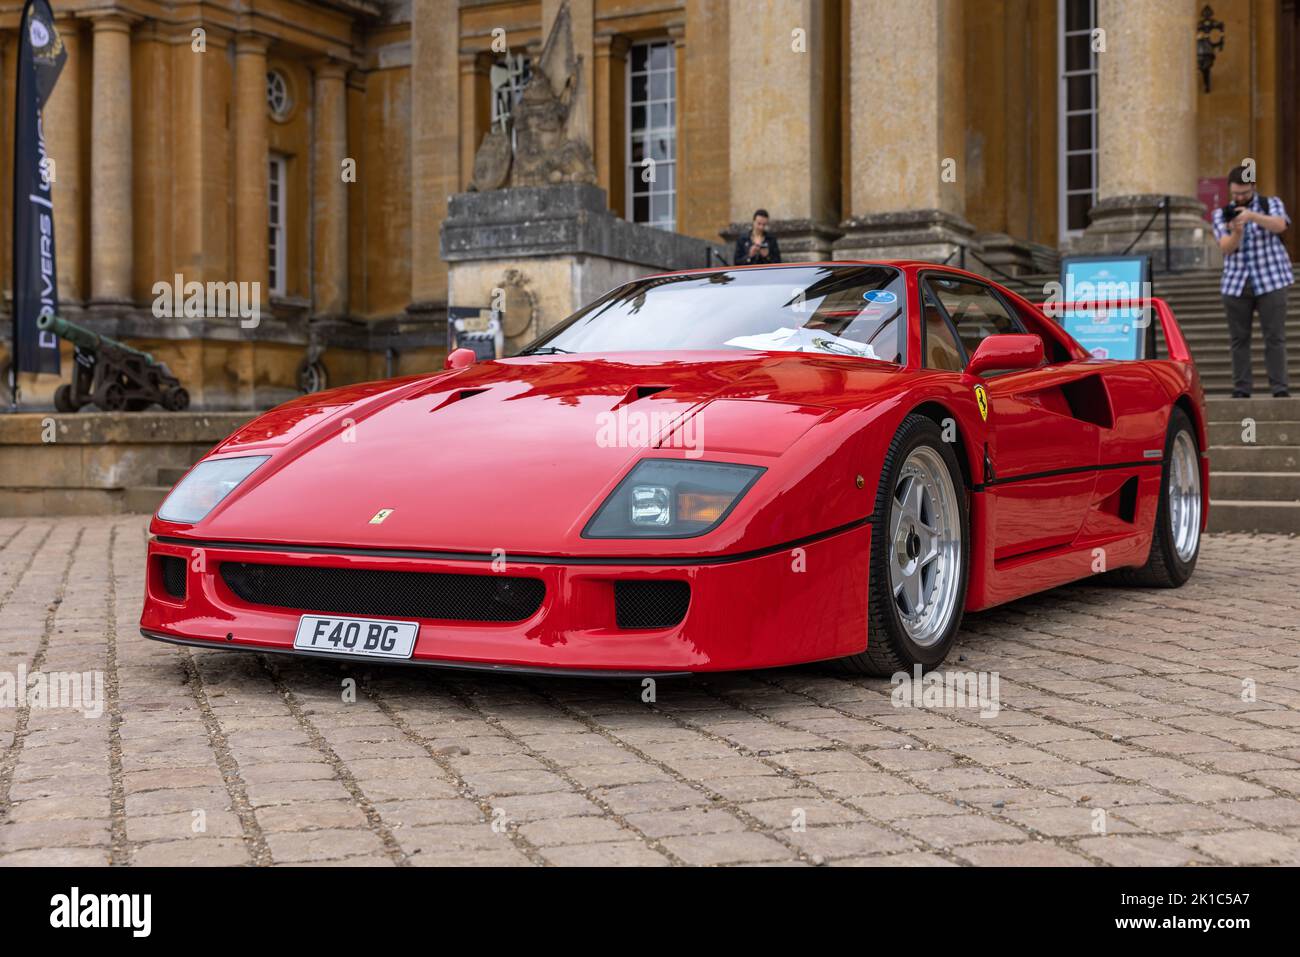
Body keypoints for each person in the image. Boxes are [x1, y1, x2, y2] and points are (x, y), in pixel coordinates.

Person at [1212, 166, 1292, 398]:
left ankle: (1280, 388)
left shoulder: (1271, 204)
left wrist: (1253, 216)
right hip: (1236, 284)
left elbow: (1281, 225)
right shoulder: (1220, 214)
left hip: (1272, 279)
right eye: (1235, 193)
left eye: (1244, 193)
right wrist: (1237, 231)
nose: (1239, 198)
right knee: (1239, 340)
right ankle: (1242, 388)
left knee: (1275, 336)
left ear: (1253, 188)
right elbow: (1226, 248)